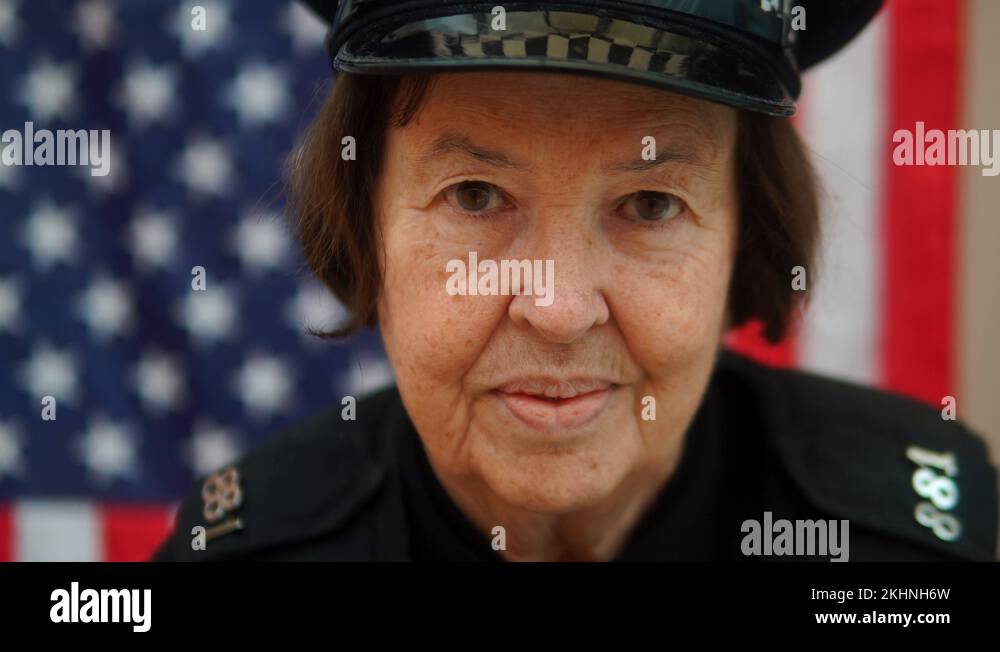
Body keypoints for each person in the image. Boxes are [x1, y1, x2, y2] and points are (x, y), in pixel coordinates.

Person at [153, 0, 997, 562]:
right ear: (365, 226)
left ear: (748, 234)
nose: (557, 309)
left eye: (651, 204)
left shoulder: (909, 553)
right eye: (475, 197)